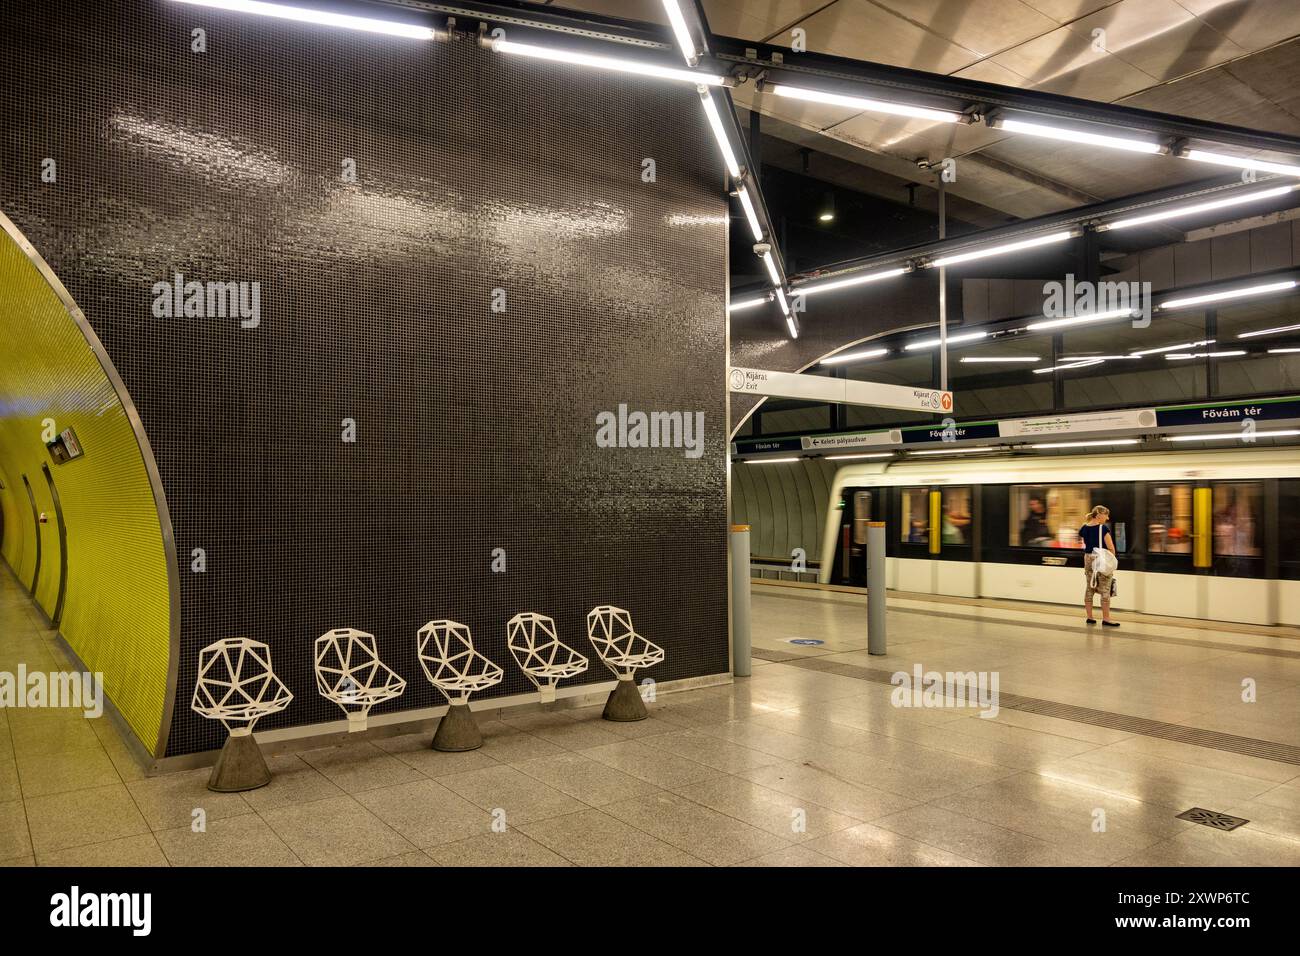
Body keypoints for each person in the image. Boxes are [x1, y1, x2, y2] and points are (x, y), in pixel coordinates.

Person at [1080, 505, 1118, 627]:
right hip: (1100, 559)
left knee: (1090, 587)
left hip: (1087, 558)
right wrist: (1110, 562)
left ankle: (1090, 617)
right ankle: (1106, 619)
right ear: (1099, 515)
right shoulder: (1103, 529)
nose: (1107, 518)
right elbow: (1111, 548)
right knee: (1105, 589)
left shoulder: (1084, 528)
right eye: (1106, 515)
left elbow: (1085, 543)